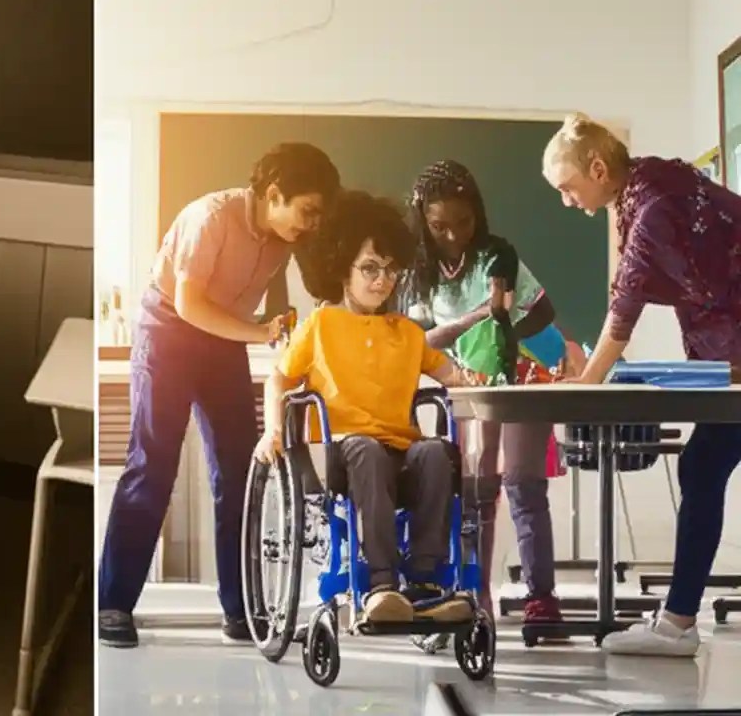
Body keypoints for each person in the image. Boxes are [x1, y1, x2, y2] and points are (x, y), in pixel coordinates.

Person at [98, 142, 342, 648]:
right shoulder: (209, 217)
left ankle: (241, 611)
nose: (313, 223)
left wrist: (282, 319)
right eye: (308, 211)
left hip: (224, 337)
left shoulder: (285, 237)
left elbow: (288, 286)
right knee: (152, 466)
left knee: (240, 472)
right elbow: (189, 305)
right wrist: (259, 332)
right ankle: (112, 604)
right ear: (274, 194)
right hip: (169, 329)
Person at [542, 112, 741, 656]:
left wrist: (587, 381)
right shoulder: (650, 180)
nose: (567, 201)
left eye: (567, 188)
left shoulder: (650, 208)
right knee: (703, 464)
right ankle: (677, 620)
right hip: (728, 348)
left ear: (597, 169)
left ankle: (677, 624)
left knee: (703, 465)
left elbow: (623, 308)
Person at [254, 190, 473, 622]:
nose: (382, 280)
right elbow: (279, 378)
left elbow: (455, 376)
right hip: (344, 454)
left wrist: (485, 375)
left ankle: (426, 581)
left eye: (391, 270)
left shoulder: (408, 333)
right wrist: (273, 430)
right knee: (367, 450)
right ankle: (381, 584)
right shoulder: (321, 324)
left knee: (436, 452)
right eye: (370, 268)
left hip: (401, 454)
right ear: (342, 267)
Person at [398, 160, 565, 624]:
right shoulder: (419, 273)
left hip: (526, 370)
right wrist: (479, 321)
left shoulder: (497, 256)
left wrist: (504, 335)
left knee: (522, 482)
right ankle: (476, 596)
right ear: (423, 222)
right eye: (439, 226)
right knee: (476, 490)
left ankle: (542, 598)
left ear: (478, 213)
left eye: (463, 222)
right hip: (472, 380)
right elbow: (420, 342)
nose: (453, 235)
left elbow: (543, 313)